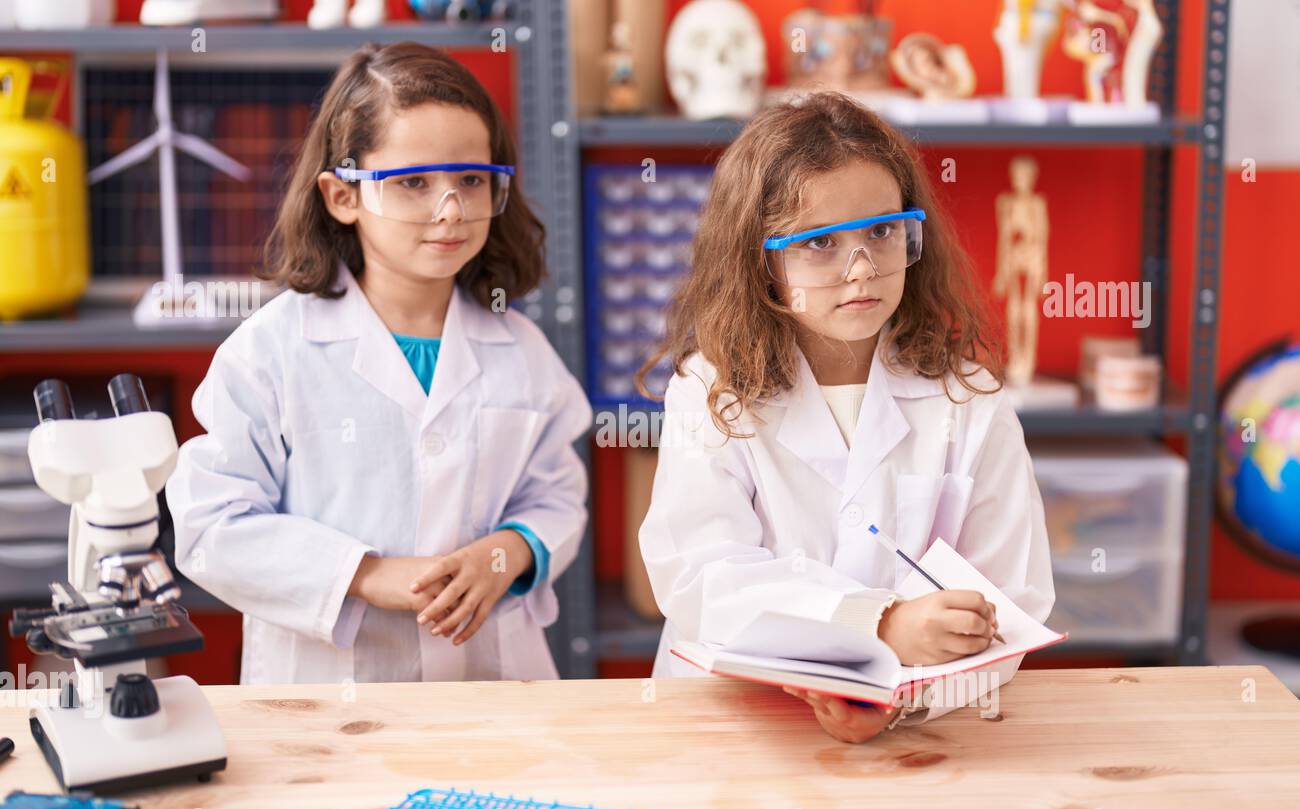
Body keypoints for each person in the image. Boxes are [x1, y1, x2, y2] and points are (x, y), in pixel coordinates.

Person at [166, 44, 590, 685]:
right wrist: (364, 574)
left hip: (493, 693)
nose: (450, 210)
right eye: (413, 183)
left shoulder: (521, 350)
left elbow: (556, 496)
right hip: (325, 704)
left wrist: (505, 554)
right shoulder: (271, 353)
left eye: (470, 180)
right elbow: (211, 527)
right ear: (343, 195)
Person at [638, 92, 1054, 743]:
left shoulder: (971, 402)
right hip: (743, 725)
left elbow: (1012, 603)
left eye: (882, 231)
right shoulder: (707, 393)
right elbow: (702, 579)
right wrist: (878, 624)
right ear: (762, 261)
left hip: (924, 733)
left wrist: (902, 699)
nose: (861, 269)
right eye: (821, 243)